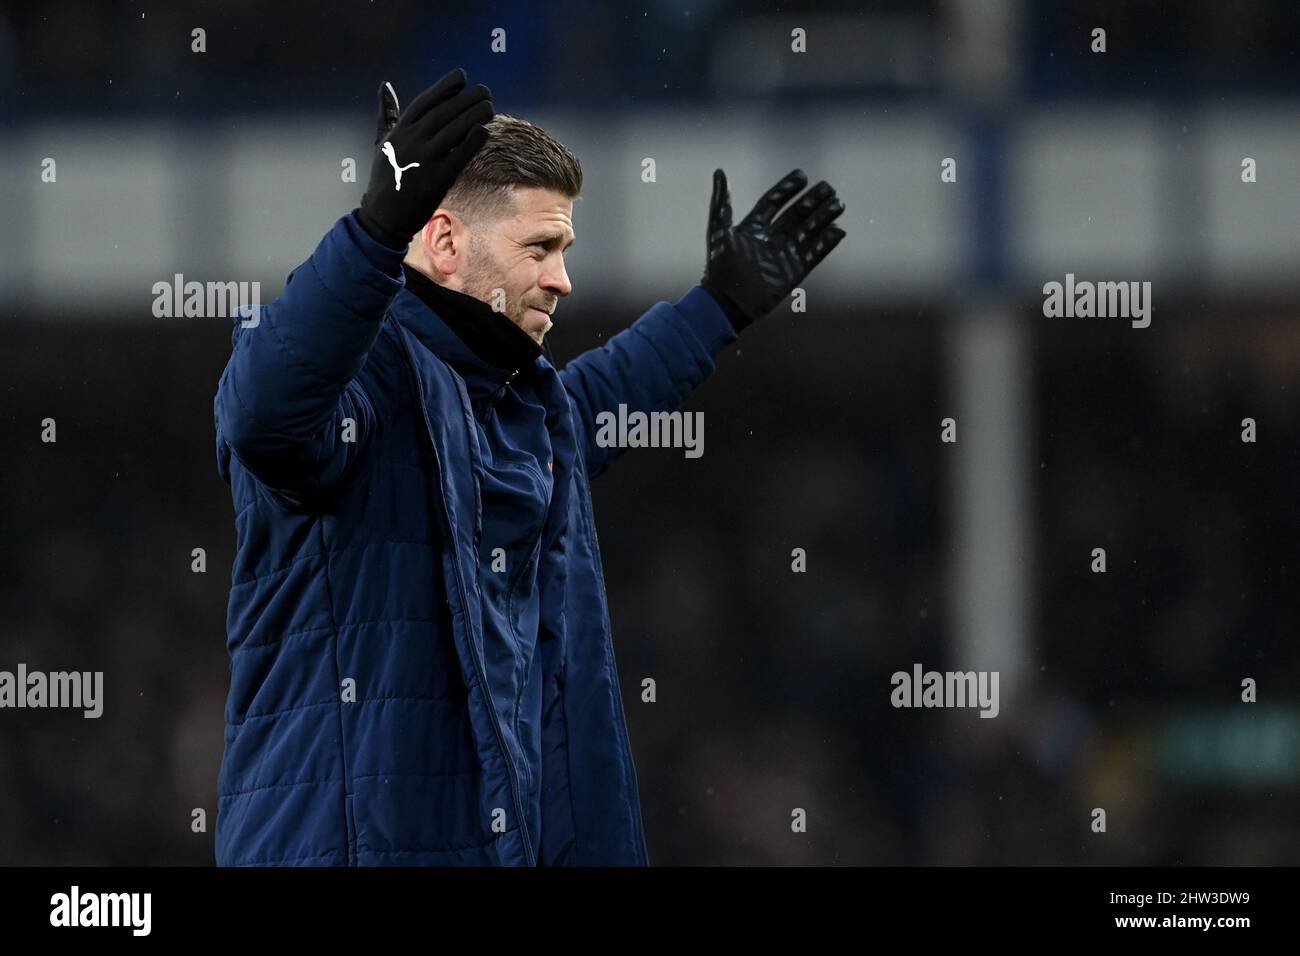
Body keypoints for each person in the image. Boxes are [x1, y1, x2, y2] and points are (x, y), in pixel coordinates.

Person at [212, 67, 846, 866]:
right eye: (539, 248)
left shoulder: (512, 405)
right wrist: (371, 236)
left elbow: (588, 406)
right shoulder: (359, 379)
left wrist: (713, 309)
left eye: (565, 249)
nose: (563, 278)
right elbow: (262, 416)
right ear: (444, 242)